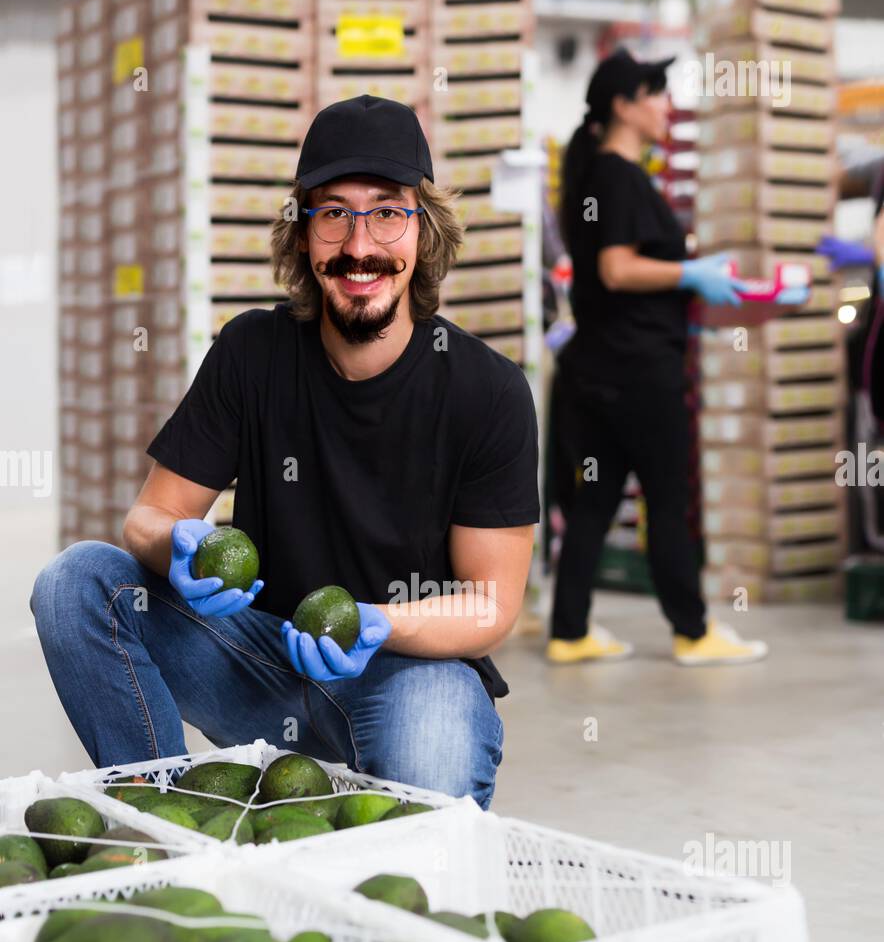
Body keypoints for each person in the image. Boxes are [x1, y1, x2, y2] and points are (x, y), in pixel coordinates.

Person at [31, 96, 540, 807]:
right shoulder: (252, 352)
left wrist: (379, 622)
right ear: (302, 234)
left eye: (387, 211)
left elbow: (493, 602)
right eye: (333, 212)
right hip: (260, 659)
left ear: (423, 232)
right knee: (77, 582)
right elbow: (147, 518)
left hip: (407, 672)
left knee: (435, 763)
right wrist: (175, 545)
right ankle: (163, 823)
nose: (360, 245)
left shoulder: (488, 391)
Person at [548, 48, 767, 666]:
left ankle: (569, 633)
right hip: (639, 373)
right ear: (623, 105)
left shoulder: (602, 175)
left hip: (597, 371)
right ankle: (693, 632)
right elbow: (617, 270)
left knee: (593, 501)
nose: (665, 105)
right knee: (669, 497)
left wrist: (695, 283)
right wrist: (690, 272)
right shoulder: (618, 176)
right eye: (655, 93)